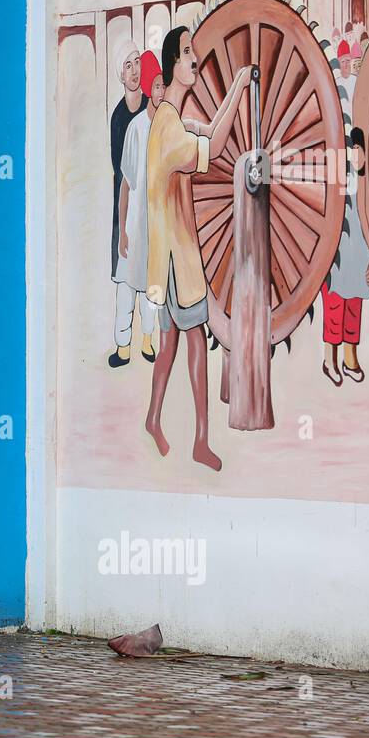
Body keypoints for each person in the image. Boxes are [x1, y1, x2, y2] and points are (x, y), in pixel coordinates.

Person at [143, 27, 251, 471]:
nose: (195, 59)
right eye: (188, 52)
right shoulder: (169, 131)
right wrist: (241, 86)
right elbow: (219, 143)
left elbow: (209, 130)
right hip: (177, 256)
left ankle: (153, 419)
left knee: (169, 343)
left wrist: (233, 96)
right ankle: (201, 440)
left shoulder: (171, 121)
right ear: (172, 65)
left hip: (167, 253)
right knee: (194, 340)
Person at [320, 128, 369, 385]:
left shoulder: (367, 186)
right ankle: (329, 359)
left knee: (354, 306)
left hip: (359, 251)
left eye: (359, 151)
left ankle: (350, 357)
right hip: (336, 253)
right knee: (334, 305)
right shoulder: (336, 180)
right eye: (352, 150)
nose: (356, 156)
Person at [115, 49, 163, 363]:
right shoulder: (135, 129)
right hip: (134, 221)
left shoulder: (168, 126)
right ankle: (122, 344)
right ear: (148, 89)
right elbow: (126, 183)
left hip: (158, 223)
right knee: (127, 285)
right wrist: (122, 231)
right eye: (156, 85)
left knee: (153, 285)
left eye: (163, 85)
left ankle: (147, 339)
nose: (161, 91)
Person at [108, 37, 146, 367]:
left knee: (150, 277)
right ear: (121, 75)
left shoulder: (153, 108)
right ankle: (123, 346)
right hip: (127, 203)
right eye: (128, 65)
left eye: (138, 62)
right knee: (124, 278)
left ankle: (149, 341)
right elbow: (119, 172)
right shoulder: (119, 118)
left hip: (151, 204)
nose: (135, 70)